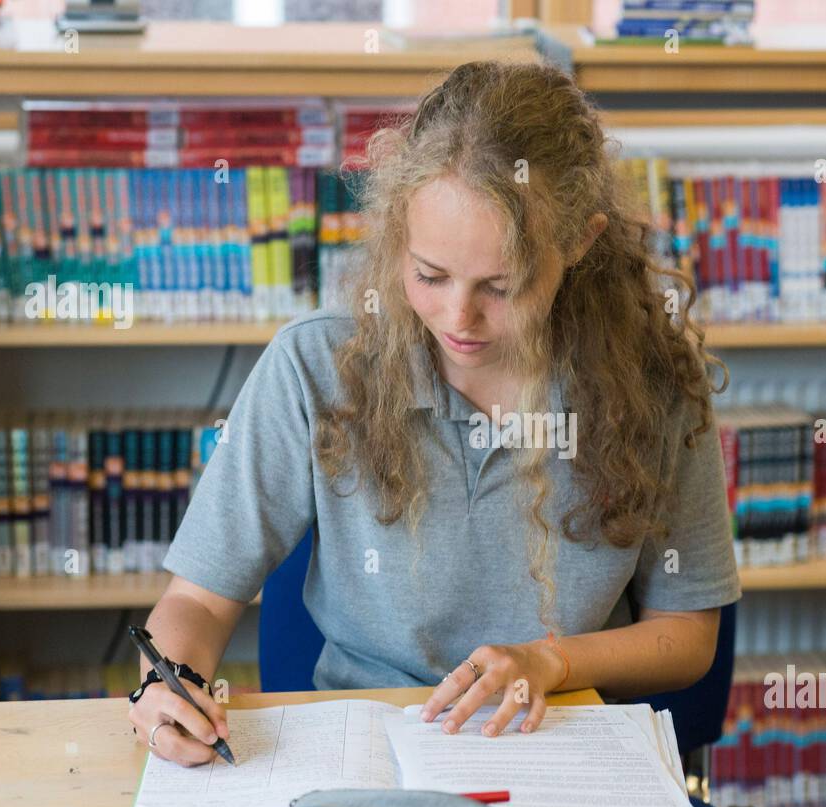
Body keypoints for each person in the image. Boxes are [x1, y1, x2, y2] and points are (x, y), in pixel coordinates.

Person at [128, 60, 742, 766]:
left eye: (501, 285)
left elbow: (686, 636)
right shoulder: (312, 369)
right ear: (398, 239)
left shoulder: (651, 383)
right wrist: (166, 684)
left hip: (563, 746)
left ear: (579, 242)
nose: (459, 319)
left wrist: (551, 662)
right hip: (364, 750)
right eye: (429, 276)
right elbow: (199, 603)